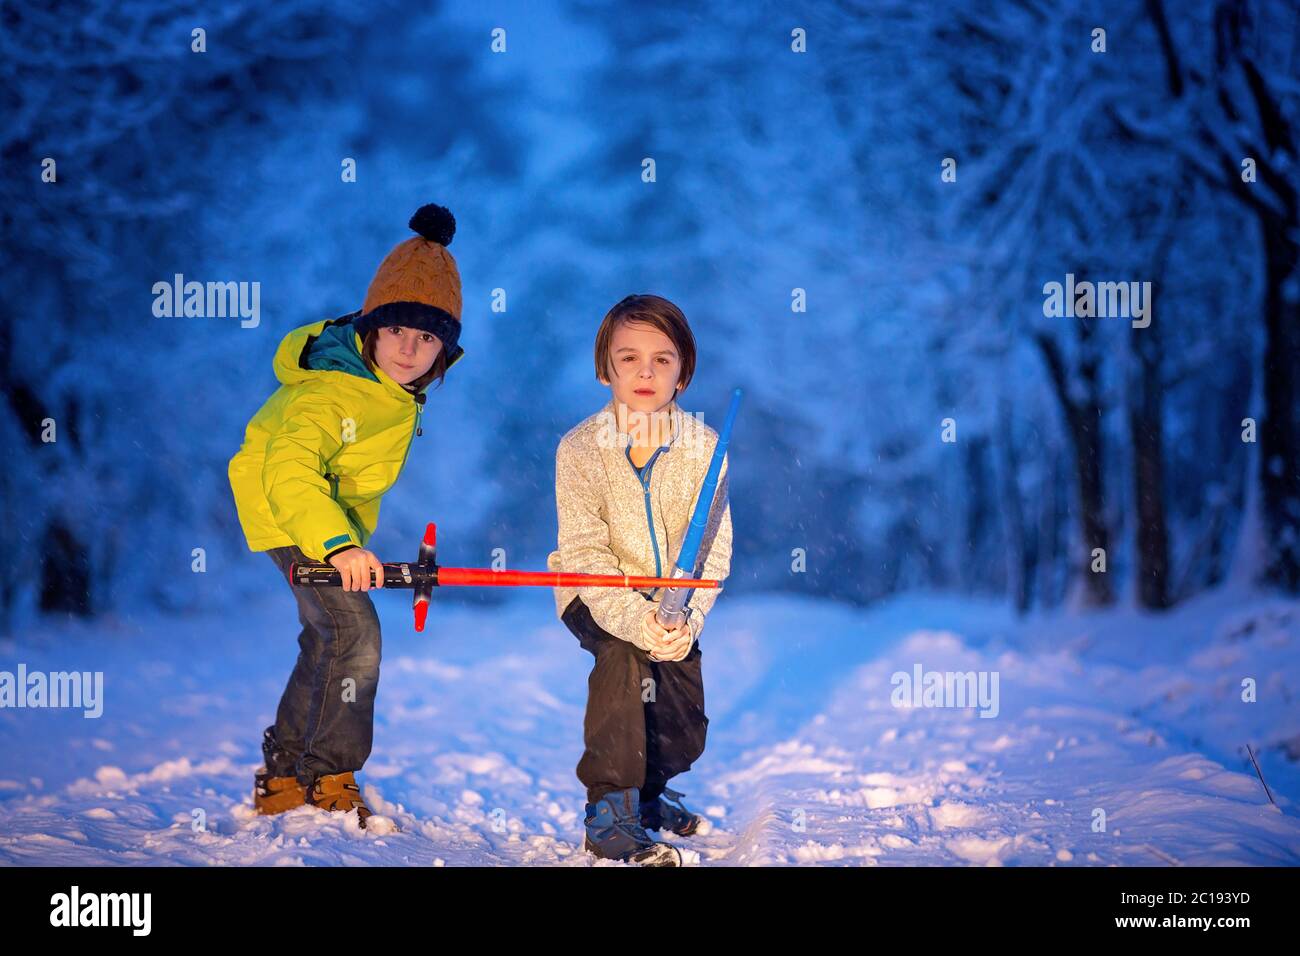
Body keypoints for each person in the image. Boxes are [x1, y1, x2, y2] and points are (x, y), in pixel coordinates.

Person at [228, 203, 466, 828]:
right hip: (294, 514)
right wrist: (337, 545)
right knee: (354, 635)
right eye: (397, 333)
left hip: (316, 521)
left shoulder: (388, 390)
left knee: (328, 637)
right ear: (370, 329)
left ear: (446, 349)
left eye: (428, 338)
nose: (410, 350)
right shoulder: (336, 388)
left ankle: (289, 768)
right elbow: (290, 469)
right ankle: (327, 770)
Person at [547, 293, 733, 865]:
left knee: (682, 726)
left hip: (675, 602)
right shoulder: (579, 450)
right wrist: (636, 618)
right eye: (629, 358)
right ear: (606, 368)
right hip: (594, 591)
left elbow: (712, 551)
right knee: (624, 662)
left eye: (662, 358)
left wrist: (685, 616)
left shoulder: (705, 449)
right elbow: (586, 551)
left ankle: (649, 794)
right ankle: (611, 812)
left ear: (683, 372)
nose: (645, 372)